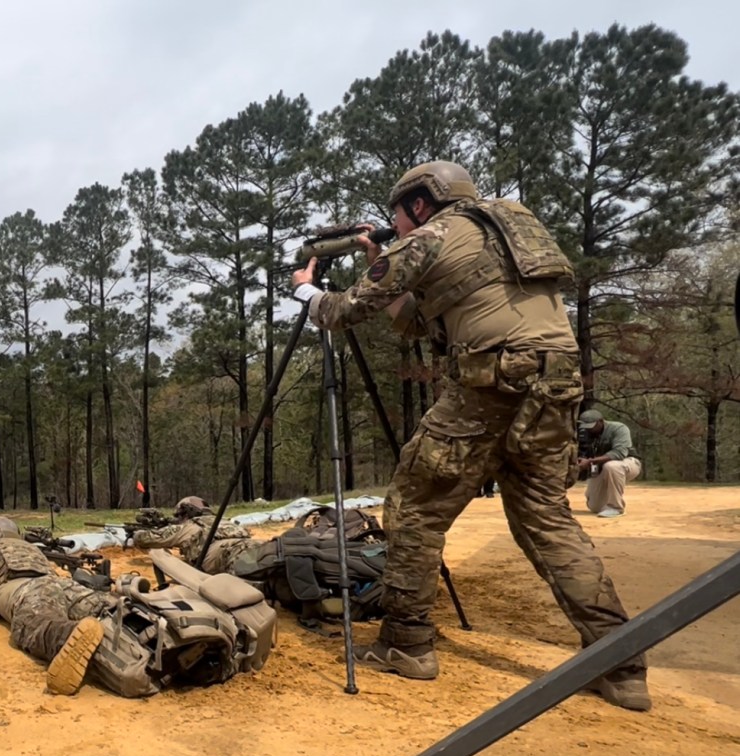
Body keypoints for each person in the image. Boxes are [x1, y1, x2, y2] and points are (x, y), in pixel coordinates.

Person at [289, 160, 650, 711]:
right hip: (557, 383)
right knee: (548, 520)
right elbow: (417, 321)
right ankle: (621, 662)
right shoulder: (506, 228)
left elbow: (340, 312)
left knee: (415, 506)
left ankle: (407, 643)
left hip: (492, 380)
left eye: (397, 215)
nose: (396, 225)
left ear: (418, 204)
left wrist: (306, 292)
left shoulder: (432, 233)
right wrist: (381, 265)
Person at [0, 515, 110, 695]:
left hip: (28, 592)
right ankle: (129, 611)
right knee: (105, 608)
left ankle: (69, 633)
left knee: (39, 625)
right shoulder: (33, 549)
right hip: (64, 585)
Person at [130, 496, 259, 574]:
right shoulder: (226, 522)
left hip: (234, 559)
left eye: (179, 517)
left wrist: (136, 533)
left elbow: (146, 538)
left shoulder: (189, 527)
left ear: (186, 514)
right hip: (258, 548)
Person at [577, 409, 641, 518]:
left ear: (601, 421)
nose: (590, 429)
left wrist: (590, 461)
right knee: (595, 507)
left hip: (627, 463)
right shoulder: (583, 434)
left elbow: (619, 453)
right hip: (598, 467)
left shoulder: (618, 428)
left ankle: (616, 507)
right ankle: (605, 504)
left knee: (612, 466)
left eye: (592, 426)